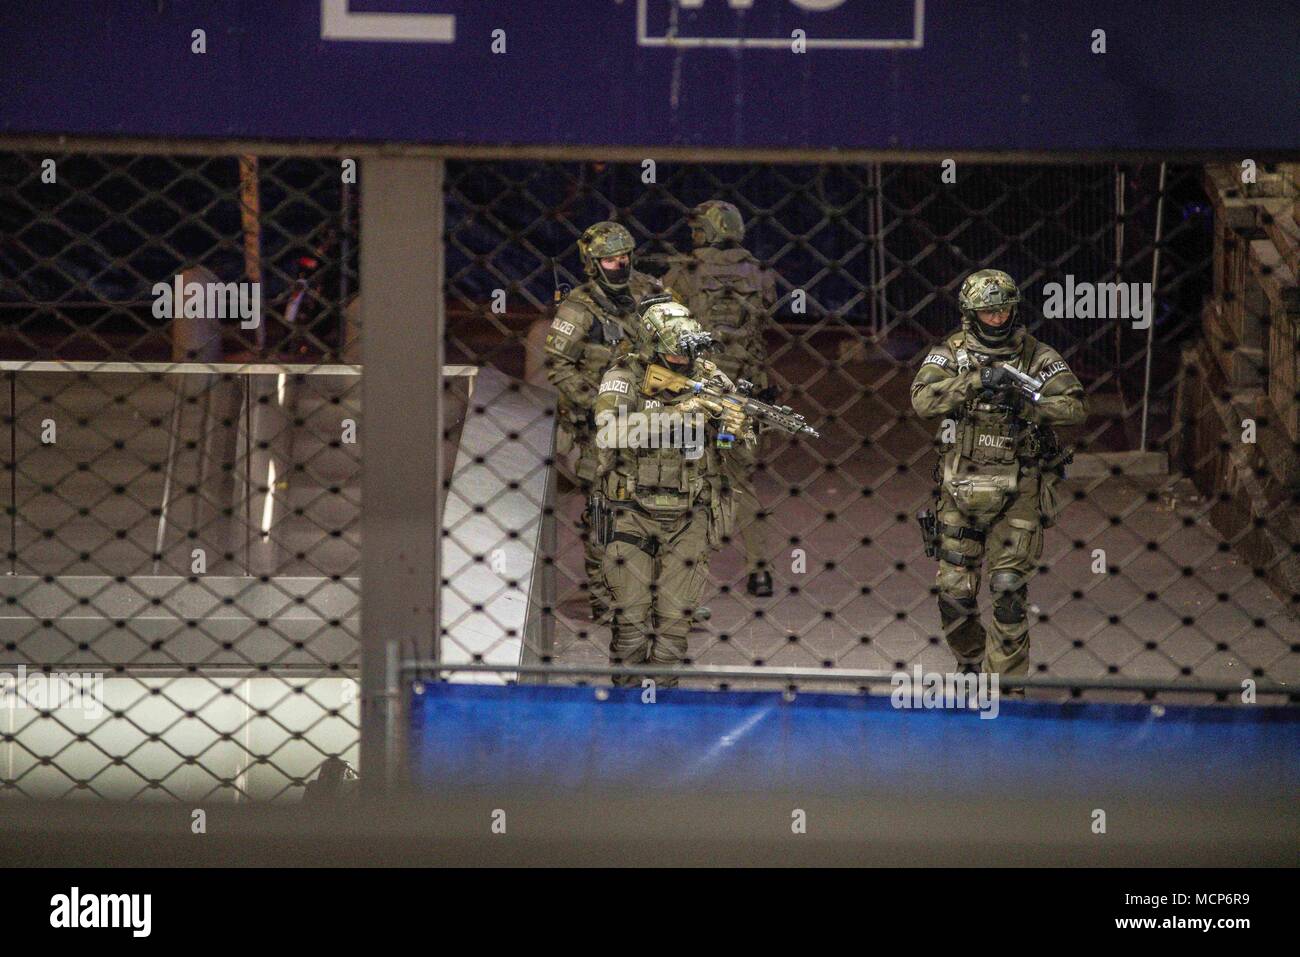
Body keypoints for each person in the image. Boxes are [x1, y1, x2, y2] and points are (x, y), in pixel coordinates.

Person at [911, 268, 1087, 681]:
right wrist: (973, 382)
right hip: (961, 487)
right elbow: (922, 400)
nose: (997, 318)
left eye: (1004, 310)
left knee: (1008, 591)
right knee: (954, 596)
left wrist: (1026, 403)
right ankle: (971, 660)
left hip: (1019, 487)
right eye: (989, 312)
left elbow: (1075, 406)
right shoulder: (951, 353)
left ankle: (1006, 691)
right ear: (971, 314)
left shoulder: (1036, 355)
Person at [591, 296, 748, 685]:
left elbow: (736, 451)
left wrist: (733, 429)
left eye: (686, 354)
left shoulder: (711, 379)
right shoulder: (624, 376)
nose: (681, 361)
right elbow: (608, 432)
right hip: (629, 511)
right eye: (673, 354)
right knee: (630, 621)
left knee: (675, 626)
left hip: (688, 514)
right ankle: (627, 701)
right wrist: (677, 414)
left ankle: (663, 701)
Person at [544, 221, 666, 622]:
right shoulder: (580, 308)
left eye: (625, 257)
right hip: (602, 428)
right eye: (611, 260)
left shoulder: (650, 292)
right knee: (606, 512)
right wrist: (596, 404)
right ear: (593, 263)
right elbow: (559, 367)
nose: (621, 264)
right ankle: (607, 598)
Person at [661, 201, 778, 597]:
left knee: (684, 478)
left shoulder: (685, 272)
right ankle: (760, 570)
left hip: (696, 389)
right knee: (741, 480)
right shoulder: (760, 274)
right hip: (743, 390)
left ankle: (683, 572)